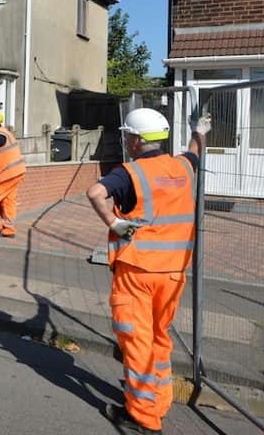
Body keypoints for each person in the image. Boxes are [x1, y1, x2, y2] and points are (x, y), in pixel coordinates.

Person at [86, 107, 210, 435]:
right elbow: (195, 152)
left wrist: (114, 222)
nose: (127, 140)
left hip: (137, 272)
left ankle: (143, 417)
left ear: (138, 140)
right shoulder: (182, 166)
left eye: (128, 135)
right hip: (173, 273)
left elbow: (95, 193)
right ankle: (158, 398)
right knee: (159, 337)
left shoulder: (130, 173)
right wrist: (200, 132)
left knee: (136, 340)